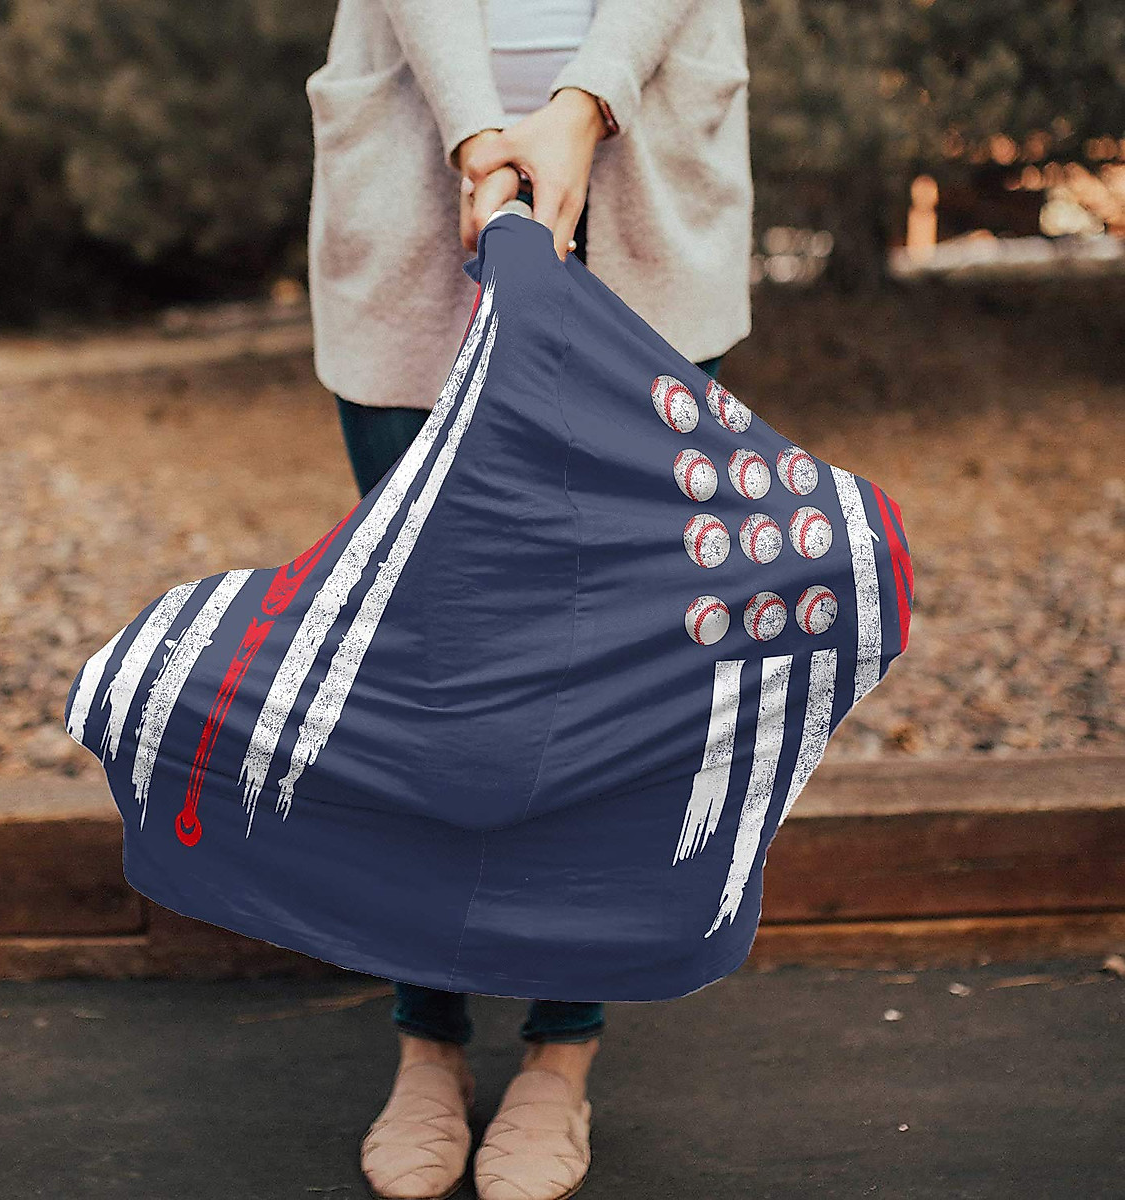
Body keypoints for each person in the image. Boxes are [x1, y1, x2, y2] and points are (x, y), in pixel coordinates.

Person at [304, 1, 752, 1196]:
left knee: (607, 664)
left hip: (644, 170)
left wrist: (583, 103)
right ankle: (426, 1037)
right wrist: (475, 134)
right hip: (414, 169)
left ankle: (563, 1049)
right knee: (422, 652)